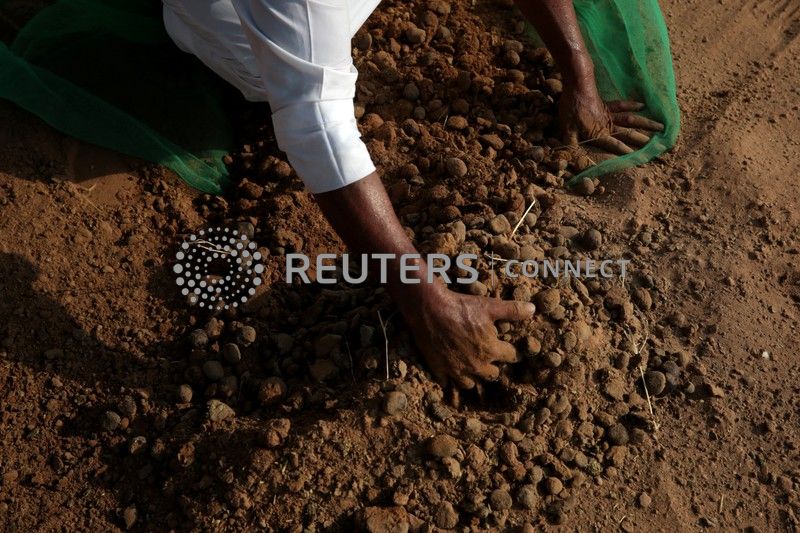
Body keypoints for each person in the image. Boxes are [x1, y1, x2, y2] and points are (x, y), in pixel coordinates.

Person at [161, 0, 662, 390]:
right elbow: (315, 128)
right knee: (270, 77)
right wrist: (424, 299)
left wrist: (579, 74)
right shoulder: (302, 12)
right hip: (234, 30)